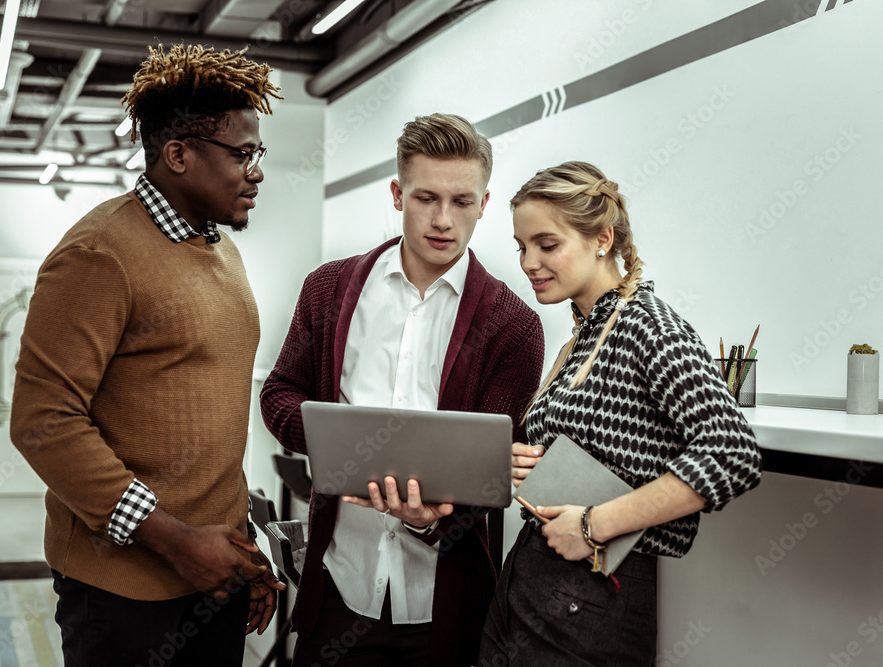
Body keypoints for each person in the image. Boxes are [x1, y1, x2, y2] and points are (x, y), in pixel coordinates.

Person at [10, 44, 285, 667]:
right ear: (178, 154)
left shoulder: (221, 252)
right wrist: (176, 539)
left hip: (213, 575)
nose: (257, 171)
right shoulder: (99, 254)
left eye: (258, 153)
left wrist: (240, 551)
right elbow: (43, 421)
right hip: (122, 592)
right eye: (242, 154)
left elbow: (207, 425)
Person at [260, 113, 544, 666]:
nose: (443, 220)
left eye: (463, 202)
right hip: (338, 585)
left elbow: (489, 475)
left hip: (445, 611)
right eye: (426, 198)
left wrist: (435, 516)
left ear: (485, 204)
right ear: (397, 194)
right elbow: (279, 393)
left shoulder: (514, 326)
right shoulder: (328, 290)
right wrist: (336, 444)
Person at [478, 161, 762, 665]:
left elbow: (731, 451)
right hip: (530, 575)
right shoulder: (584, 333)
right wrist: (532, 464)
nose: (528, 262)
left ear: (602, 238)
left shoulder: (648, 327)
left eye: (548, 244)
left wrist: (593, 524)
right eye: (522, 247)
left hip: (589, 595)